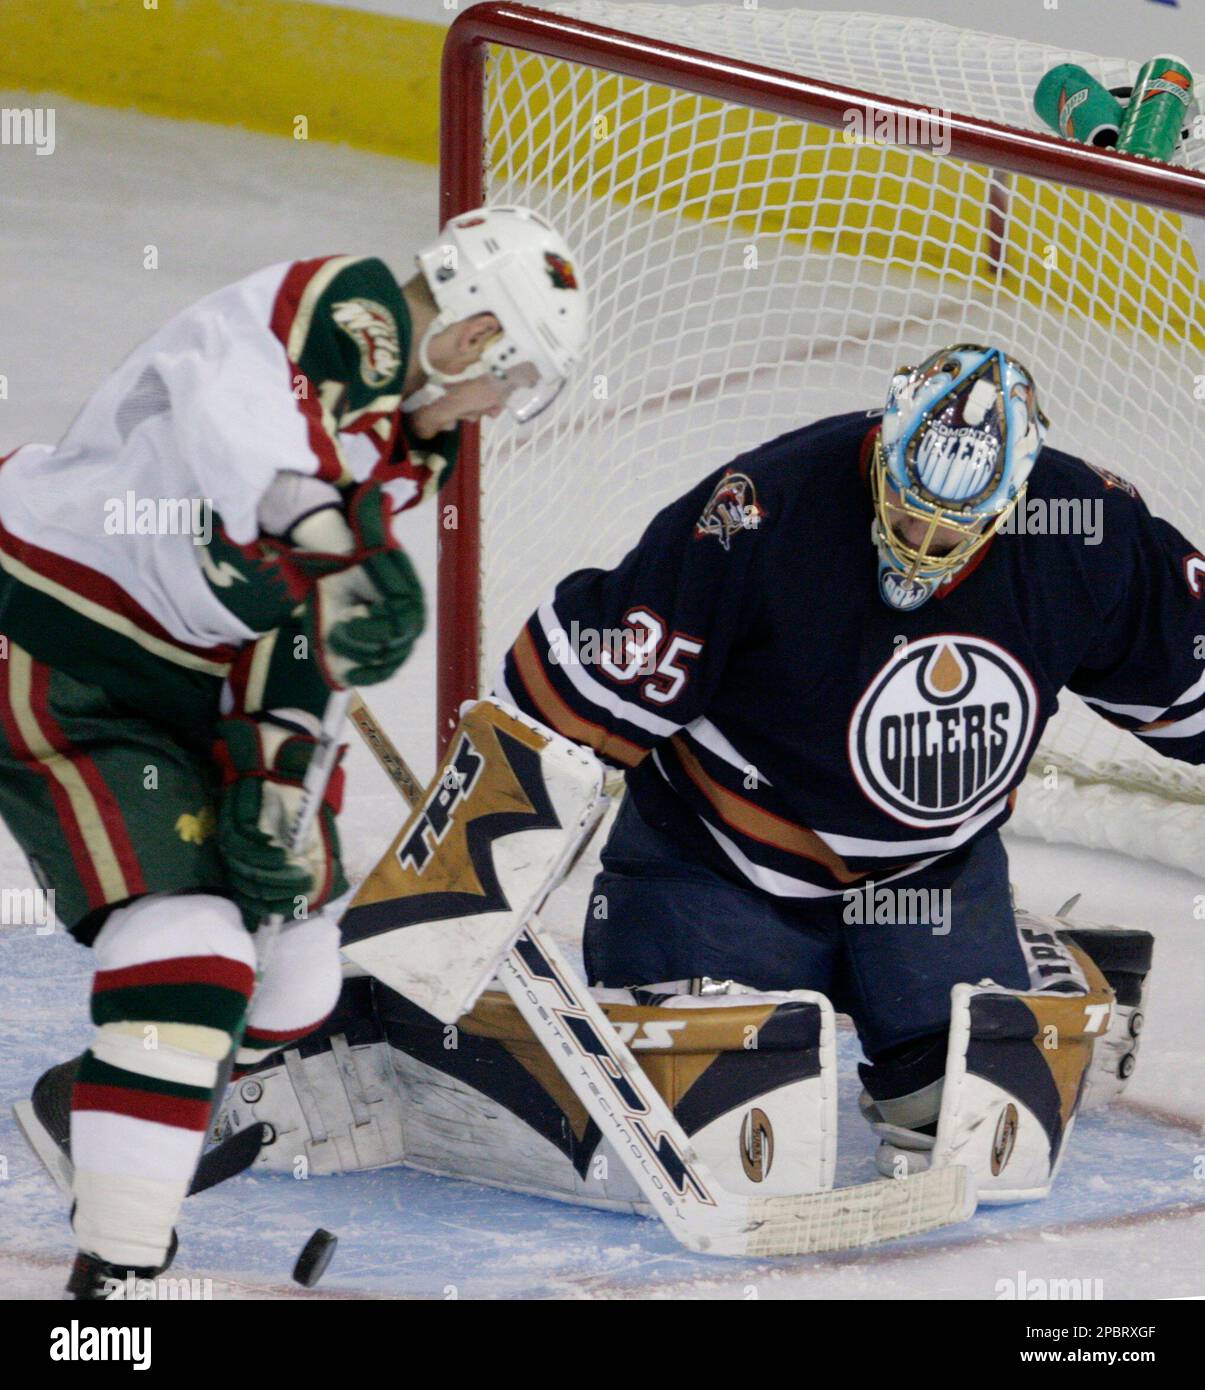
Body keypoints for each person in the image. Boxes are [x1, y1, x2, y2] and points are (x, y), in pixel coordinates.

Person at [0, 206, 587, 1298]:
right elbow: (239, 423)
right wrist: (331, 542)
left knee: (296, 970)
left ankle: (95, 1103)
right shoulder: (340, 314)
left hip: (194, 677)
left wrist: (277, 768)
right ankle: (114, 1282)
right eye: (502, 383)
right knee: (193, 949)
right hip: (57, 630)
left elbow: (301, 624)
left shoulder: (417, 442)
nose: (493, 408)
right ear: (468, 339)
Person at [492, 344, 1195, 1178]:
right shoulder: (763, 503)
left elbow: (1185, 669)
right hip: (721, 865)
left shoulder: (1085, 525)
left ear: (1013, 499)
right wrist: (480, 861)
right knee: (715, 1141)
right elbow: (585, 678)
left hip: (927, 878)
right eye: (907, 509)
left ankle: (1017, 956)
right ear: (885, 452)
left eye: (954, 523)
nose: (924, 538)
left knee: (981, 1141)